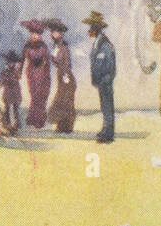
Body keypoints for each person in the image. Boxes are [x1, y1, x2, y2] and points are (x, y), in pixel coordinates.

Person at [83, 10, 117, 143]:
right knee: (104, 105)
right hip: (100, 82)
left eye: (91, 28)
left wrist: (106, 79)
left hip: (105, 82)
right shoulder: (97, 43)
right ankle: (105, 129)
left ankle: (108, 133)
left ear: (96, 29)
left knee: (108, 106)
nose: (89, 30)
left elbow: (111, 66)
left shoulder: (106, 46)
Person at [46, 19, 77, 133]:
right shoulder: (57, 46)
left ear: (60, 33)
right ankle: (62, 127)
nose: (52, 34)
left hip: (66, 77)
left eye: (54, 32)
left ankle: (67, 127)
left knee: (66, 102)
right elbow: (56, 61)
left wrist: (66, 74)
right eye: (51, 32)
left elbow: (67, 62)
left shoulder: (63, 46)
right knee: (62, 102)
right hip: (62, 76)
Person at [20, 19, 51, 129]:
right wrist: (19, 72)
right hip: (32, 74)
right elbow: (22, 60)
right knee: (34, 96)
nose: (35, 36)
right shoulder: (27, 46)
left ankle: (39, 121)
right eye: (33, 34)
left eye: (38, 34)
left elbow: (47, 62)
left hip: (43, 75)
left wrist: (46, 77)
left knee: (41, 96)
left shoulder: (43, 47)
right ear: (30, 34)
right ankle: (32, 119)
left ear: (41, 35)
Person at [0, 50, 24, 132]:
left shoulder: (16, 71)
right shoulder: (5, 71)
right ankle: (7, 124)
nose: (11, 64)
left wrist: (11, 77)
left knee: (16, 109)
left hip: (15, 92)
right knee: (7, 109)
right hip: (8, 92)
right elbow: (2, 81)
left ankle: (17, 124)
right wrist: (3, 81)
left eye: (13, 62)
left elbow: (18, 77)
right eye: (10, 62)